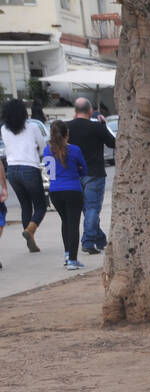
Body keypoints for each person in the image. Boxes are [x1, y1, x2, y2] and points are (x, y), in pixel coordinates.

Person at [66, 97, 115, 255]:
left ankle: (99, 238)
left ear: (75, 111)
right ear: (90, 111)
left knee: (87, 209)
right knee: (92, 208)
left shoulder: (67, 127)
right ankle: (88, 241)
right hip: (94, 172)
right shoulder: (97, 127)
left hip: (74, 173)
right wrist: (103, 126)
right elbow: (113, 143)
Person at [1, 98, 48, 252]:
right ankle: (30, 231)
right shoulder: (32, 127)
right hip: (30, 168)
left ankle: (31, 240)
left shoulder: (3, 129)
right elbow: (42, 147)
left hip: (12, 171)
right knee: (40, 205)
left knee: (25, 205)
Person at [42, 120, 88, 270]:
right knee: (73, 225)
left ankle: (68, 255)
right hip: (73, 189)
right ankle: (73, 261)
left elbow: (50, 172)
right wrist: (76, 171)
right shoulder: (75, 150)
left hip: (55, 191)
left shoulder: (47, 151)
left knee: (65, 222)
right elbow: (84, 170)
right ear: (67, 134)